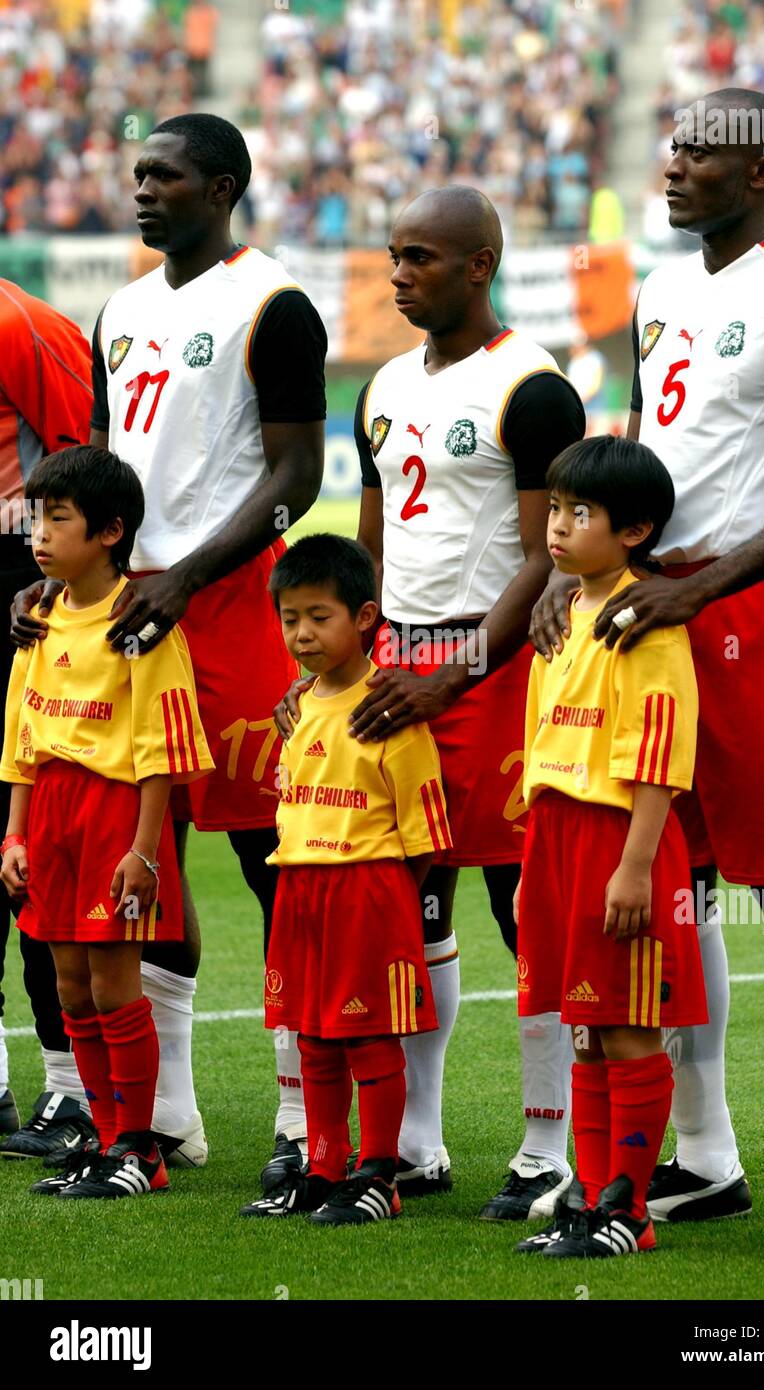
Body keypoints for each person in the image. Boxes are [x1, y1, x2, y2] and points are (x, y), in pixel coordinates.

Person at [531, 88, 764, 1252]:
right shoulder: (663, 291)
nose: (669, 167)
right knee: (679, 898)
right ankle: (705, 1156)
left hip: (753, 613)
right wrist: (584, 582)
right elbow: (637, 453)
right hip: (652, 610)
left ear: (763, 168)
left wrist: (698, 587)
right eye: (667, 145)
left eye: (698, 153)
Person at [12, 114, 326, 1186]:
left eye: (166, 175)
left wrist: (188, 575)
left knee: (269, 858)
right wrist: (57, 575)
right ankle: (164, 1122)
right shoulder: (125, 308)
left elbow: (297, 476)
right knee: (137, 865)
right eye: (138, 172)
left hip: (229, 606)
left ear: (223, 186)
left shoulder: (272, 302)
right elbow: (102, 463)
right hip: (123, 611)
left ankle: (301, 1120)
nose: (142, 190)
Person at [278, 186, 586, 1220]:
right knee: (407, 902)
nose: (399, 272)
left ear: (478, 265)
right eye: (393, 255)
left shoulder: (530, 389)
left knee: (521, 907)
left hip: (487, 674)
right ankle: (414, 1141)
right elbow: (368, 548)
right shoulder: (378, 387)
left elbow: (549, 563)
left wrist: (452, 672)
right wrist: (343, 666)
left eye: (418, 257)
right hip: (393, 670)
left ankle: (549, 1146)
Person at [0, 446, 212, 1199]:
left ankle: (138, 1150)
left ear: (110, 532)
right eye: (35, 519)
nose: (39, 535)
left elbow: (160, 751)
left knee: (115, 985)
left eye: (58, 520)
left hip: (115, 815)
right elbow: (22, 737)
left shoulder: (141, 625)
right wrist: (14, 834)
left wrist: (146, 852)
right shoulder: (38, 618)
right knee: (70, 986)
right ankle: (103, 1134)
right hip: (51, 814)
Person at [514, 435, 706, 1259]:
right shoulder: (565, 613)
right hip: (557, 838)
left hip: (620, 840)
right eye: (554, 509)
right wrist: (531, 864)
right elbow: (543, 736)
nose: (557, 527)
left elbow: (659, 752)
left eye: (578, 513)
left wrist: (634, 865)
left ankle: (629, 1212)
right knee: (586, 1028)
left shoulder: (648, 620)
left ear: (633, 531)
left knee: (629, 1028)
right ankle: (589, 1201)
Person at [245, 534, 448, 1225]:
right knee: (313, 1036)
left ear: (364, 618)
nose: (301, 633)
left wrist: (384, 887)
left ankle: (378, 1173)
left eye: (319, 617)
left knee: (368, 1037)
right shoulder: (296, 709)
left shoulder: (391, 710)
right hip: (301, 892)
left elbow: (425, 836)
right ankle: (326, 1166)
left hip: (368, 893)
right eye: (290, 618)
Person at [0, 278, 96, 1157]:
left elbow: (79, 470)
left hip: (19, 587)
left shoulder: (20, 322)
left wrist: (51, 576)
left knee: (33, 839)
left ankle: (71, 1090)